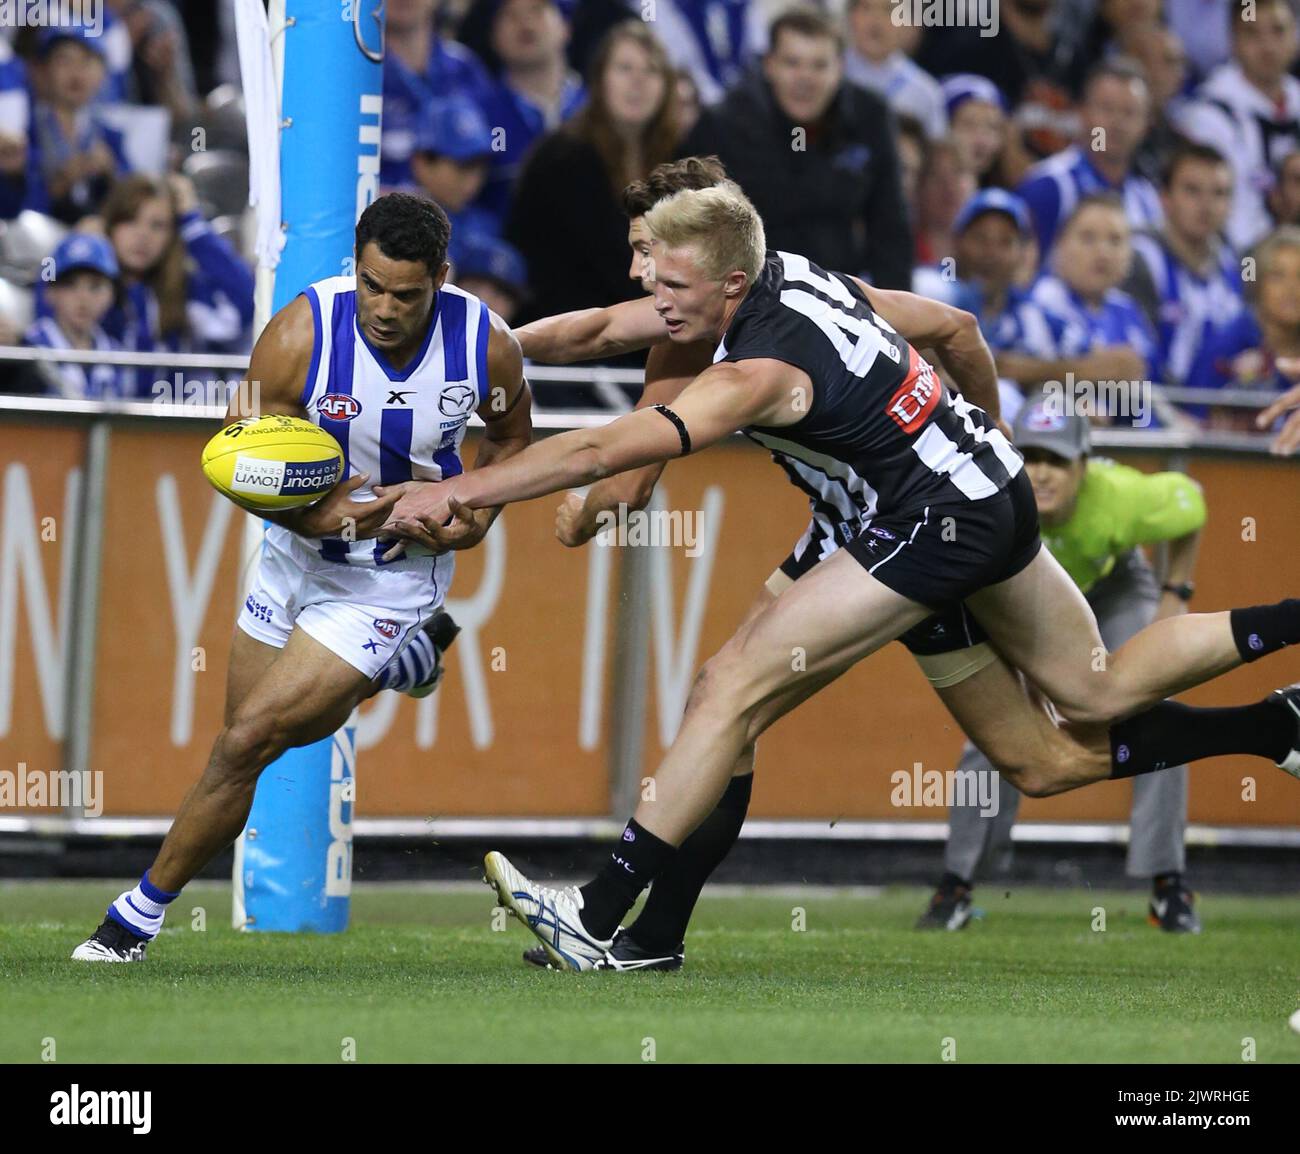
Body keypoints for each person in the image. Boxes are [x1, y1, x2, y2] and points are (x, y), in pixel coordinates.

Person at [381, 184, 1300, 970]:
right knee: (1059, 734)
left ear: (728, 282)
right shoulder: (798, 275)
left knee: (730, 686)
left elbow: (600, 448)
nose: (647, 297)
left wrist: (463, 488)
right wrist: (467, 338)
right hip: (978, 493)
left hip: (926, 522)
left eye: (666, 282)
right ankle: (1273, 723)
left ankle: (594, 916)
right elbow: (956, 328)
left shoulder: (757, 369)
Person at [70, 194, 531, 962]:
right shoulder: (298, 334)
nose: (383, 309)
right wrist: (345, 514)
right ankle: (403, 665)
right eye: (371, 285)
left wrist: (479, 508)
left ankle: (131, 921)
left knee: (249, 741)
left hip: (389, 580)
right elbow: (236, 457)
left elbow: (512, 439)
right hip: (292, 557)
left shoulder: (487, 347)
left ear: (442, 280)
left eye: (406, 294)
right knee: (245, 740)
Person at [918, 401, 1207, 934]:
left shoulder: (1122, 496)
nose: (1043, 472)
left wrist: (1177, 591)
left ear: (1085, 465)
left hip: (1112, 590)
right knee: (991, 728)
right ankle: (956, 884)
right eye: (1030, 456)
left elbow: (1192, 504)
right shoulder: (986, 495)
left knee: (1157, 711)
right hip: (1022, 599)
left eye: (1058, 458)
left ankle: (1167, 885)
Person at [680, 6, 912, 290]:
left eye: (819, 65)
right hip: (746, 295)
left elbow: (891, 228)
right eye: (792, 63)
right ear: (769, 66)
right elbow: (689, 222)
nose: (805, 78)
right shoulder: (723, 124)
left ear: (840, 67)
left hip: (839, 294)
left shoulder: (871, 116)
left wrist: (894, 321)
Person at [506, 20, 678, 324]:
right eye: (625, 68)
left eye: (651, 70)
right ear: (600, 79)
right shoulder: (561, 159)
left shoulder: (678, 158)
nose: (637, 81)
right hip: (571, 333)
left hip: (648, 330)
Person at [94, 173, 255, 395]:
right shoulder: (83, 286)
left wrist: (192, 223)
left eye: (157, 226)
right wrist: (90, 248)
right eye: (130, 220)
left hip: (167, 425)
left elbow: (244, 307)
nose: (142, 235)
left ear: (172, 235)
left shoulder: (186, 290)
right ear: (111, 225)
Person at [1177, 0, 1300, 253]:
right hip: (1247, 260)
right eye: (1252, 33)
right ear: (1233, 41)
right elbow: (1228, 217)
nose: (1267, 46)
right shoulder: (1208, 115)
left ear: (1295, 37)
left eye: (1278, 31)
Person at [1015, 58, 1163, 266]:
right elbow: (1020, 275)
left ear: (1147, 124)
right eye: (1107, 108)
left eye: (1129, 112)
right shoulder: (1049, 185)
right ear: (1083, 113)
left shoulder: (1147, 199)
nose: (1117, 123)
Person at [1030, 193, 1162, 425]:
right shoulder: (1040, 302)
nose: (1103, 253)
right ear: (1060, 245)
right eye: (1088, 238)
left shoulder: (1129, 309)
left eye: (1115, 240)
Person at [1130, 142, 1243, 390]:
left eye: (1219, 193)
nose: (1206, 205)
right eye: (1192, 190)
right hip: (1147, 412)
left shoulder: (1234, 265)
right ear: (1165, 199)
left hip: (1216, 411)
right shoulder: (1138, 257)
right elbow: (1133, 361)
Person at [1185, 225, 1300, 428]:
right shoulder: (1226, 345)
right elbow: (1194, 416)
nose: (1291, 288)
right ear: (1258, 284)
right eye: (1277, 276)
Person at [25, 24, 132, 224]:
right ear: (42, 71)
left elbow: (133, 200)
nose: (76, 72)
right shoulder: (27, 129)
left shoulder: (108, 134)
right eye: (64, 61)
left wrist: (111, 173)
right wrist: (58, 185)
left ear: (101, 74)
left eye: (87, 61)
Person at [24, 233, 128, 400]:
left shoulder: (118, 355)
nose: (83, 297)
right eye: (69, 284)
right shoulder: (28, 348)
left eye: (95, 286)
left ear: (112, 294)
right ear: (50, 292)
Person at [842, 0, 945, 140]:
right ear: (851, 16)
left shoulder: (925, 92)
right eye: (866, 8)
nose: (875, 21)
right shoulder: (826, 74)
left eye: (889, 10)